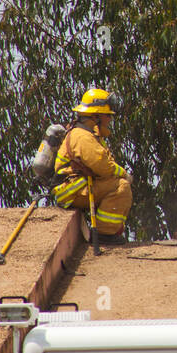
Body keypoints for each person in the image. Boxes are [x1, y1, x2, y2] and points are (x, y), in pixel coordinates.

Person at [52, 87, 133, 246]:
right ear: (96, 116)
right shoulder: (83, 137)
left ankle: (106, 232)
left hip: (75, 188)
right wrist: (123, 174)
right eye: (107, 116)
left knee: (118, 184)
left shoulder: (87, 134)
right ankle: (104, 234)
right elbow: (102, 166)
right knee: (121, 187)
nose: (109, 120)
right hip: (72, 191)